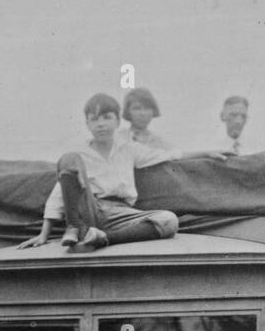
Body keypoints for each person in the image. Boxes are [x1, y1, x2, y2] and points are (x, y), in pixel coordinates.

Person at [18, 93, 221, 253]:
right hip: (90, 209)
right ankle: (73, 229)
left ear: (117, 122)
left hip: (121, 213)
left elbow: (170, 155)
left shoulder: (129, 149)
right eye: (94, 119)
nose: (101, 124)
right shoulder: (81, 154)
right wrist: (44, 234)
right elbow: (59, 194)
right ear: (87, 124)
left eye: (107, 118)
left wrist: (208, 152)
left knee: (168, 220)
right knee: (68, 158)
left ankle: (103, 238)